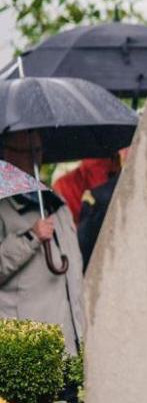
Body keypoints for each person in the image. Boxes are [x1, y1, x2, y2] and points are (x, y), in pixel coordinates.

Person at [0, 131, 85, 358]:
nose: (35, 158)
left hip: (70, 340)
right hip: (27, 348)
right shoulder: (3, 205)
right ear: (7, 154)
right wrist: (31, 238)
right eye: (26, 151)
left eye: (38, 150)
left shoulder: (55, 200)